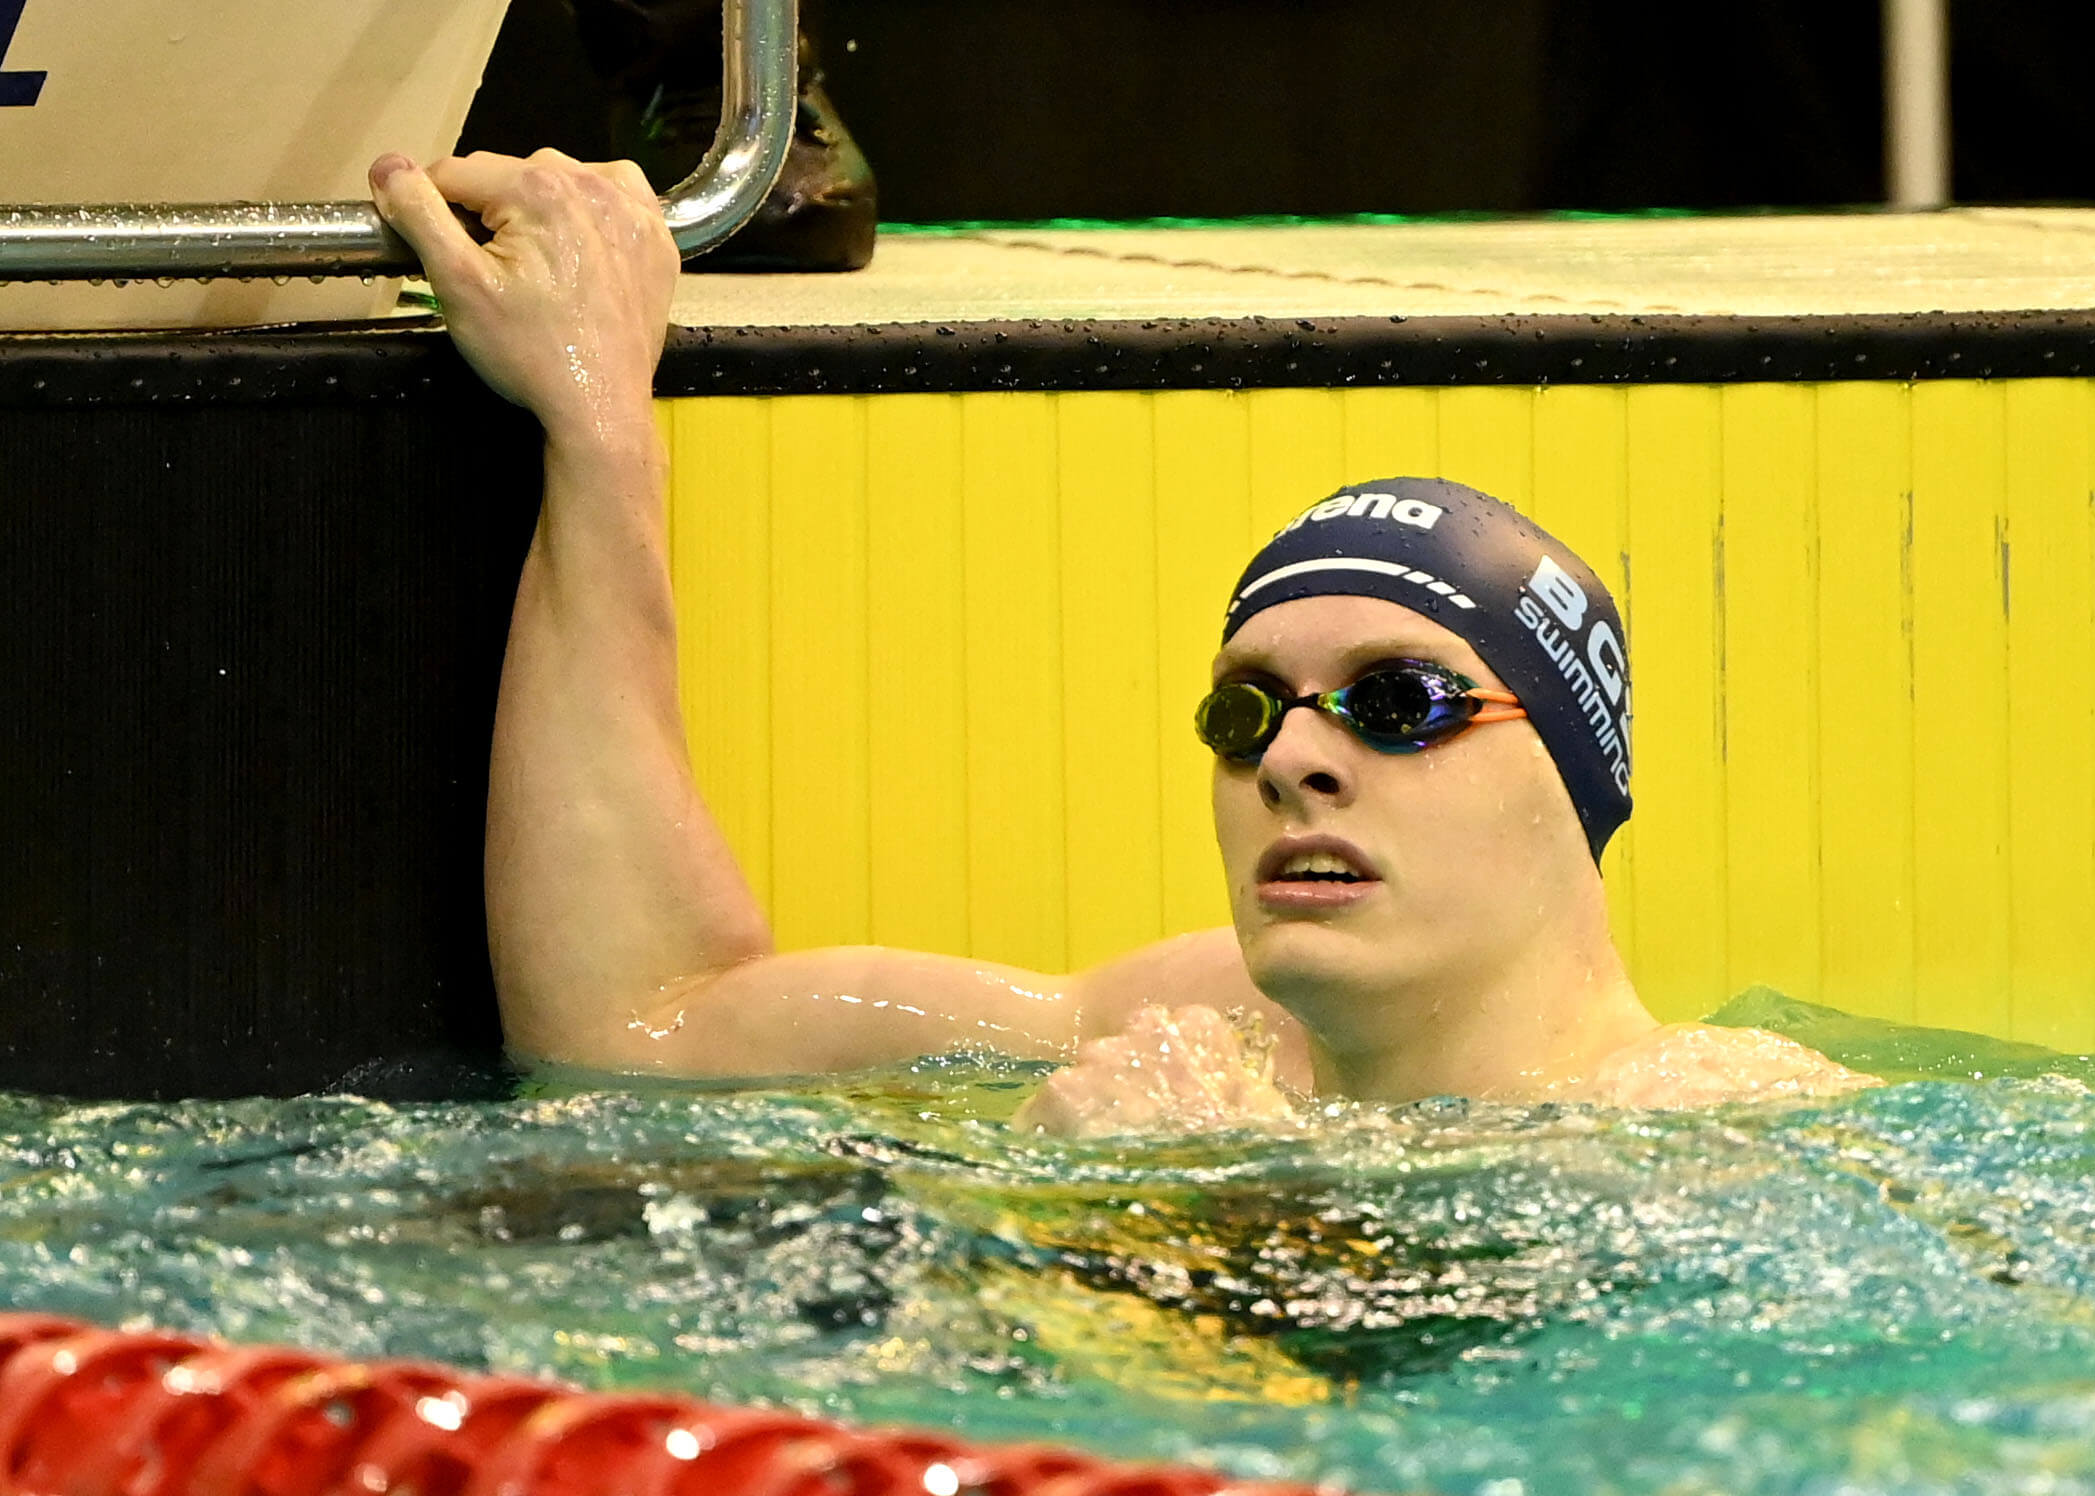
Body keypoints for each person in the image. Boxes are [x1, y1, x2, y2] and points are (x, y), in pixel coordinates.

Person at [367, 149, 1870, 1135]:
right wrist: (599, 423)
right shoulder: (1198, 1031)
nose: (1295, 761)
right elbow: (641, 1043)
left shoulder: (1722, 1127)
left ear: (1579, 779)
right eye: (1246, 715)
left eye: (1396, 703)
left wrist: (1182, 1223)